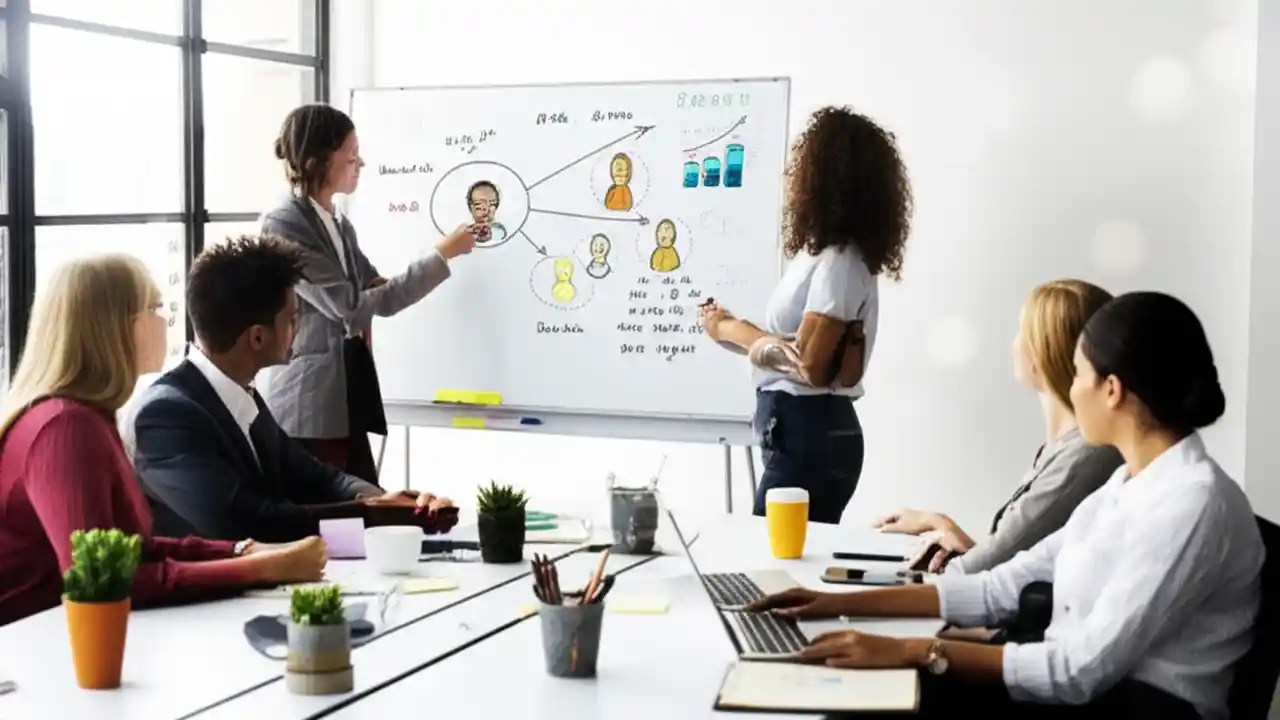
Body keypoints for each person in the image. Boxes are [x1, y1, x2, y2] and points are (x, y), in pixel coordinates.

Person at [746, 291, 1263, 719]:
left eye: (1078, 373)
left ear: (1111, 390)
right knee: (859, 689)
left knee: (869, 700)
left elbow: (1079, 672)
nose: (1070, 386)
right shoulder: (1129, 483)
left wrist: (914, 651)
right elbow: (1001, 587)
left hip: (1136, 708)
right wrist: (833, 603)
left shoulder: (1190, 504)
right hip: (1086, 692)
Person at [0, 254, 327, 626]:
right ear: (114, 326)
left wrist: (242, 551)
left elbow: (132, 549)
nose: (168, 318)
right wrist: (257, 569)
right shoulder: (65, 428)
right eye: (155, 307)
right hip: (31, 655)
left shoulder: (89, 418)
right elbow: (101, 581)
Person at [132, 236, 456, 543]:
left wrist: (383, 500)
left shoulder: (241, 393)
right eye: (292, 318)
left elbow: (318, 477)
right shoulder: (167, 414)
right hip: (210, 599)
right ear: (257, 337)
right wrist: (372, 515)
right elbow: (244, 522)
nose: (298, 327)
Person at [698, 106, 912, 523]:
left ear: (825, 176)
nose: (792, 176)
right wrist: (726, 329)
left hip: (812, 433)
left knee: (771, 562)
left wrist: (733, 329)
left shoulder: (842, 263)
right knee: (776, 559)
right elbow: (793, 345)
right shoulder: (822, 257)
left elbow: (810, 366)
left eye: (802, 163)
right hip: (798, 432)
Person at [259, 103, 480, 484]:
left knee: (363, 511)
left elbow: (384, 297)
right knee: (339, 518)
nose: (359, 163)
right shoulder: (285, 223)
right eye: (351, 155)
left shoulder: (337, 222)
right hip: (308, 407)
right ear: (319, 161)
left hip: (344, 400)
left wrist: (440, 257)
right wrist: (441, 253)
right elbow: (350, 309)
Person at [875, 280, 1123, 574]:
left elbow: (990, 571)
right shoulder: (1066, 449)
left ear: (1045, 351)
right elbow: (1015, 557)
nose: (1014, 343)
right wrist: (940, 524)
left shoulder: (1083, 458)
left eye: (1022, 330)